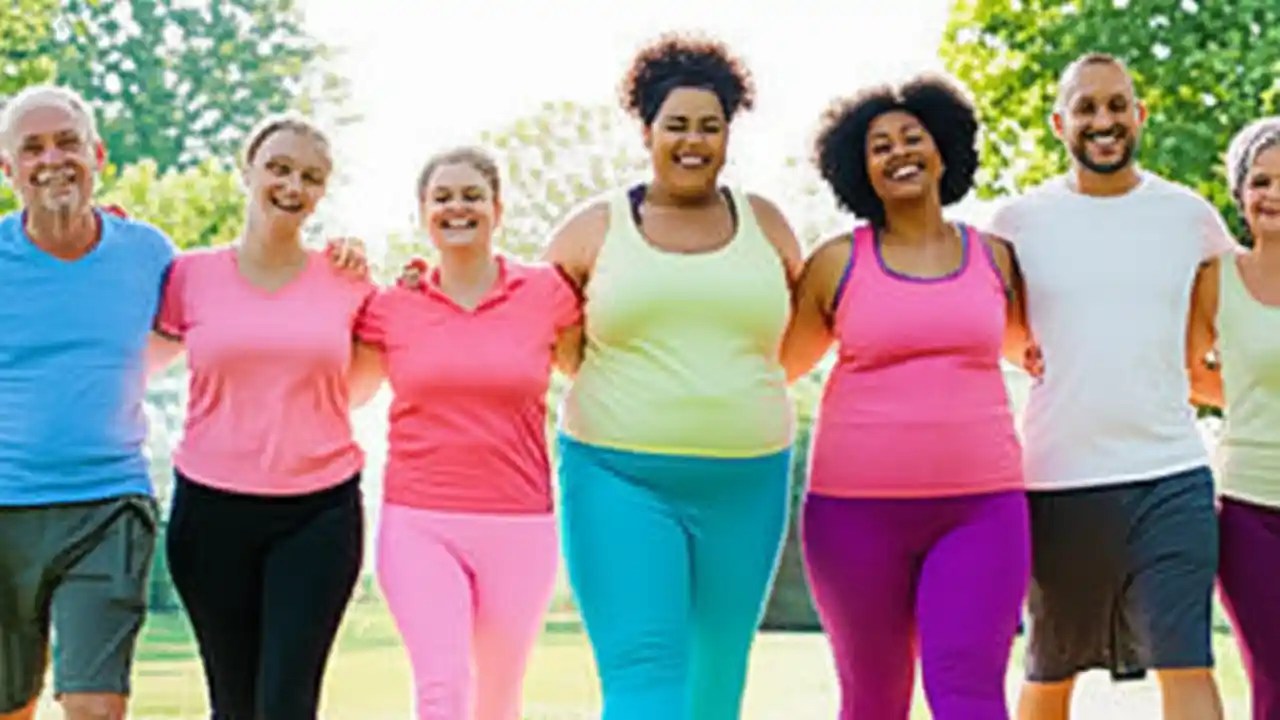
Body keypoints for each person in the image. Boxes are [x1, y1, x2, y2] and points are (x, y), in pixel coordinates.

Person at [541, 32, 803, 720]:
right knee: (646, 680)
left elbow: (800, 333)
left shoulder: (768, 225)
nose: (694, 141)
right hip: (618, 476)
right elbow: (552, 340)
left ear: (729, 134)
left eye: (710, 127)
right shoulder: (591, 229)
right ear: (647, 130)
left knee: (717, 685)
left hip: (747, 482)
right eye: (677, 125)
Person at [986, 53, 1235, 720]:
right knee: (1049, 672)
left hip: (1171, 475)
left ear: (1140, 115)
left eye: (1117, 105)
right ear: (1059, 122)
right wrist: (1029, 351)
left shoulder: (1189, 217)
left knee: (1187, 661)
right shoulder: (1015, 222)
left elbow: (1225, 328)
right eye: (1087, 108)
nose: (1104, 121)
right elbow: (988, 324)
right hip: (1057, 480)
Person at [782, 73, 1030, 720]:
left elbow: (1034, 351)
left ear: (944, 150)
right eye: (880, 146)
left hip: (983, 511)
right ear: (860, 171)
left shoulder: (996, 258)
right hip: (853, 516)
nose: (899, 153)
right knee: (873, 700)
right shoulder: (836, 263)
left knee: (969, 694)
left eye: (912, 137)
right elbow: (776, 368)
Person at [153, 113, 380, 720]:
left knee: (287, 704)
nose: (292, 186)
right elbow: (135, 360)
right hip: (210, 511)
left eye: (311, 176)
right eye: (278, 168)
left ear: (323, 191)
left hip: (319, 512)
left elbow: (360, 385)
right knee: (233, 706)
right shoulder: (189, 275)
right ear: (247, 171)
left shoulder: (347, 280)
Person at [355, 147, 581, 720]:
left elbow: (590, 369)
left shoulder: (545, 293)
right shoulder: (391, 306)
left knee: (498, 697)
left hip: (520, 522)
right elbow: (344, 390)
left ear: (497, 210)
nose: (458, 207)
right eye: (443, 197)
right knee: (443, 685)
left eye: (472, 196)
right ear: (423, 213)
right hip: (419, 520)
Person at [0, 84, 178, 720]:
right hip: (5, 505)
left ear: (97, 154)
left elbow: (228, 308)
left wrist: (339, 269)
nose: (52, 160)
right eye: (33, 148)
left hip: (108, 504)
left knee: (96, 708)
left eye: (67, 143)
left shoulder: (149, 253)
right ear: (9, 168)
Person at [1186, 117, 1280, 720]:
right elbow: (1189, 371)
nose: (1273, 194)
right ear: (1240, 193)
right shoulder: (1216, 279)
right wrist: (1245, 396)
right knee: (1275, 673)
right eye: (1261, 181)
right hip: (1248, 509)